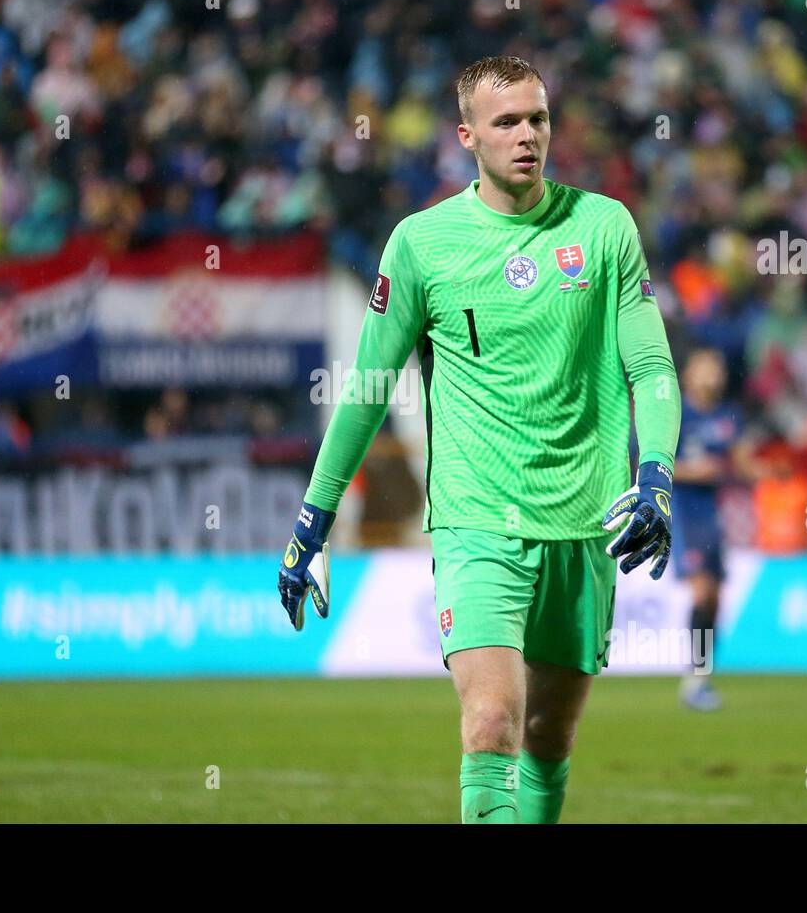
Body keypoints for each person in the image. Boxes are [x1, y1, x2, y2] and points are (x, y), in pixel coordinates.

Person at [277, 56, 681, 823]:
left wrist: (655, 469)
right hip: (476, 521)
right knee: (492, 720)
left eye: (538, 118)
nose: (528, 135)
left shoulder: (604, 228)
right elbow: (366, 390)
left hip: (585, 520)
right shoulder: (422, 245)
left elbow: (652, 368)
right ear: (468, 136)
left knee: (549, 736)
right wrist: (313, 518)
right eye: (507, 123)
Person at [670, 348, 750, 711]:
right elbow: (645, 463)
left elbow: (738, 463)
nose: (714, 374)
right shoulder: (673, 412)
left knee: (715, 598)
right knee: (702, 592)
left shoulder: (727, 416)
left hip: (712, 515)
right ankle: (694, 680)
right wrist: (693, 470)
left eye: (717, 367)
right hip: (682, 511)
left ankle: (701, 674)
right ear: (688, 375)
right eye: (705, 368)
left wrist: (765, 470)